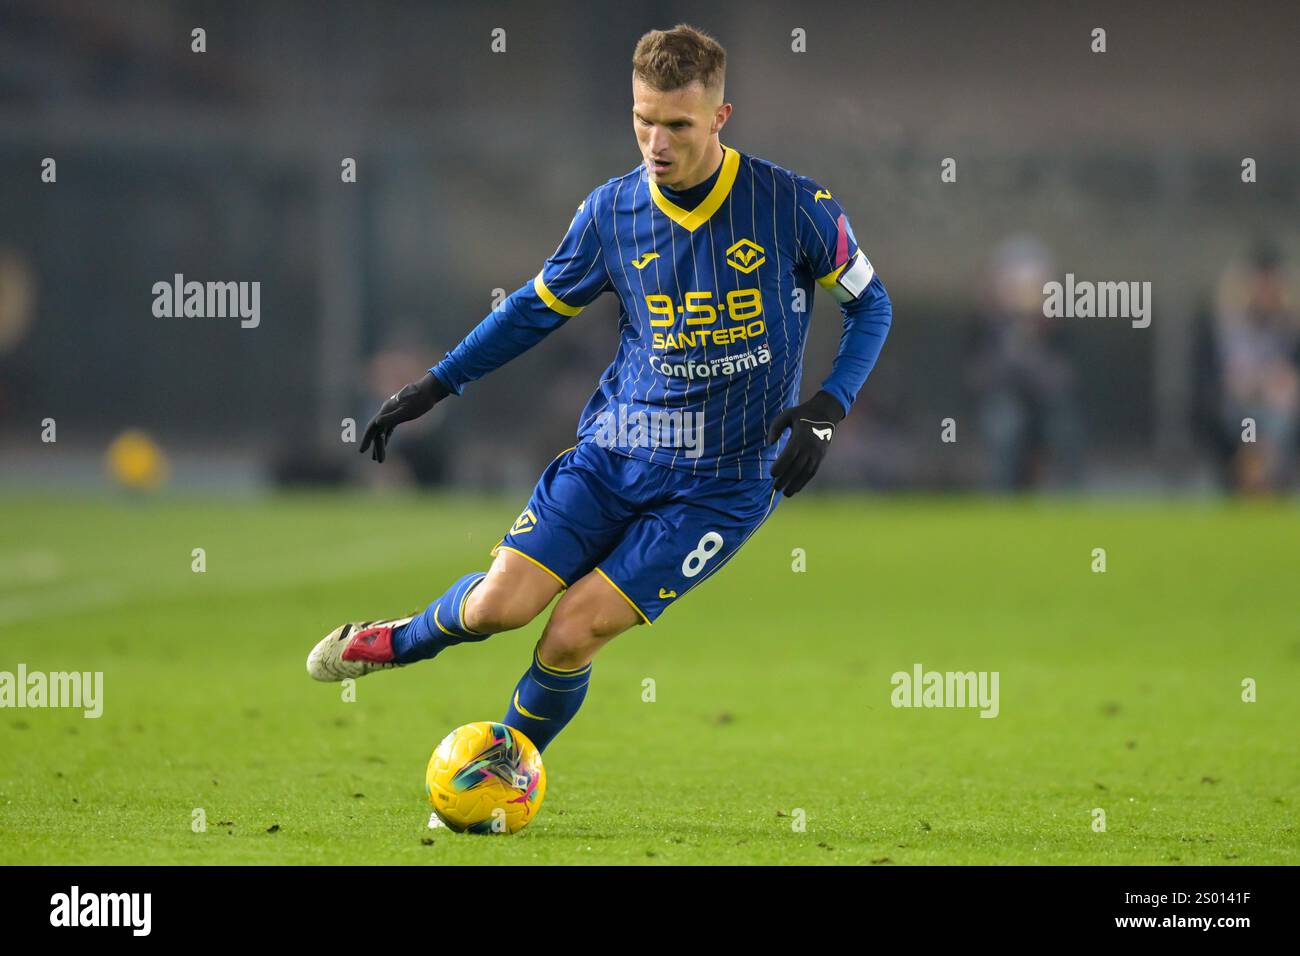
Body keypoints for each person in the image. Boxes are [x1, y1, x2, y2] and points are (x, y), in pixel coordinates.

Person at [306, 23, 893, 754]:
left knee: (571, 630)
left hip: (725, 480)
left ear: (719, 117)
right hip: (618, 451)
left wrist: (827, 409)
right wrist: (435, 385)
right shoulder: (611, 213)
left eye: (678, 124)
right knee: (497, 607)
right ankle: (395, 641)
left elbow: (872, 304)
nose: (657, 142)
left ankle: (506, 765)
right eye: (643, 120)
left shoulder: (793, 207)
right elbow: (531, 311)